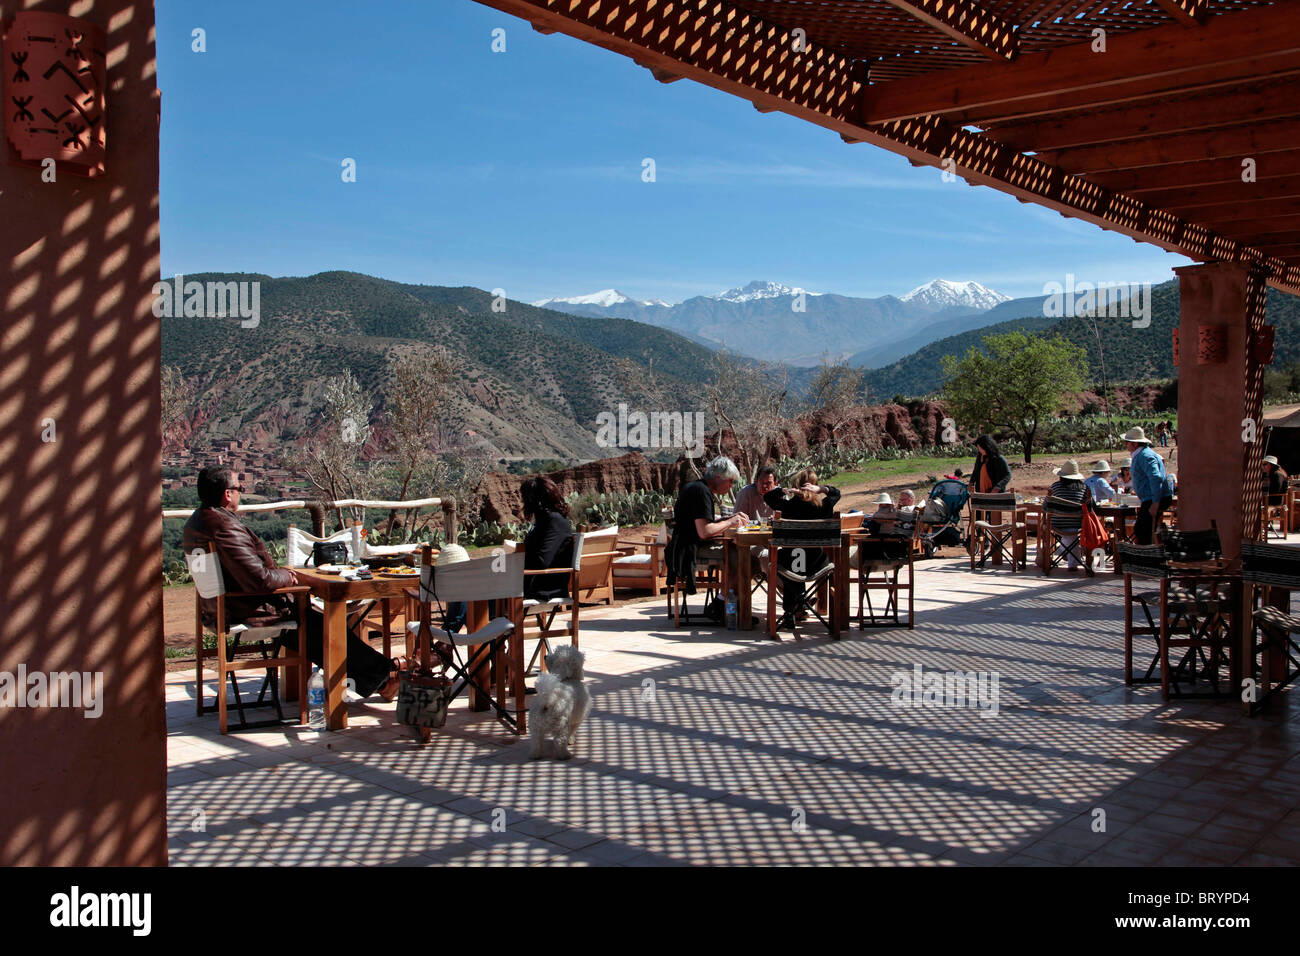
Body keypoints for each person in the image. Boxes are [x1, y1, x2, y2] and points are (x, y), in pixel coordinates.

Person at [182, 466, 399, 701]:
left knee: (312, 626)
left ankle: (382, 678)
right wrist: (288, 576)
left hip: (222, 608)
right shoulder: (224, 526)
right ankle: (385, 676)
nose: (241, 492)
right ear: (227, 494)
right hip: (246, 608)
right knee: (324, 625)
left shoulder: (197, 521)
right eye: (239, 488)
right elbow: (260, 579)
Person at [764, 468, 840, 625]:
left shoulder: (787, 506)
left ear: (796, 486)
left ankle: (790, 610)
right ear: (815, 486)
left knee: (790, 561)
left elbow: (768, 496)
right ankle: (801, 603)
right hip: (817, 564)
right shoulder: (824, 507)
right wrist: (822, 489)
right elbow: (836, 493)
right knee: (800, 559)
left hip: (791, 564)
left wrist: (784, 490)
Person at [666, 456, 748, 603]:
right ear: (718, 477)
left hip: (683, 544)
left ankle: (727, 604)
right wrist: (731, 522)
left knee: (737, 555)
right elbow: (704, 532)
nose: (731, 485)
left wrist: (728, 519)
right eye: (730, 481)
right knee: (740, 557)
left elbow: (700, 524)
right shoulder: (701, 492)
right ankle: (722, 606)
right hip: (688, 548)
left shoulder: (696, 487)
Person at [519, 476, 574, 601]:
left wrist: (518, 558)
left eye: (524, 498)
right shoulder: (545, 520)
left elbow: (542, 560)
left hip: (545, 588)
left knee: (486, 595)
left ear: (534, 499)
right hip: (534, 582)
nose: (523, 502)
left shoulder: (553, 521)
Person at [1123, 427, 1175, 545]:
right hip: (1151, 498)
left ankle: (1147, 559)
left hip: (1153, 498)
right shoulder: (1142, 454)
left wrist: (1155, 502)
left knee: (1143, 530)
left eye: (1127, 442)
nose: (1126, 445)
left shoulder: (1145, 456)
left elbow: (1155, 477)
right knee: (1142, 529)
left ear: (1135, 444)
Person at [1047, 459, 1094, 571]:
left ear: (1061, 476)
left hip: (1056, 524)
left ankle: (1065, 553)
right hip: (1078, 524)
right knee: (1070, 535)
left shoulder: (1055, 487)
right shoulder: (1085, 488)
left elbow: (1046, 507)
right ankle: (1072, 561)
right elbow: (1090, 508)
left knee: (1067, 536)